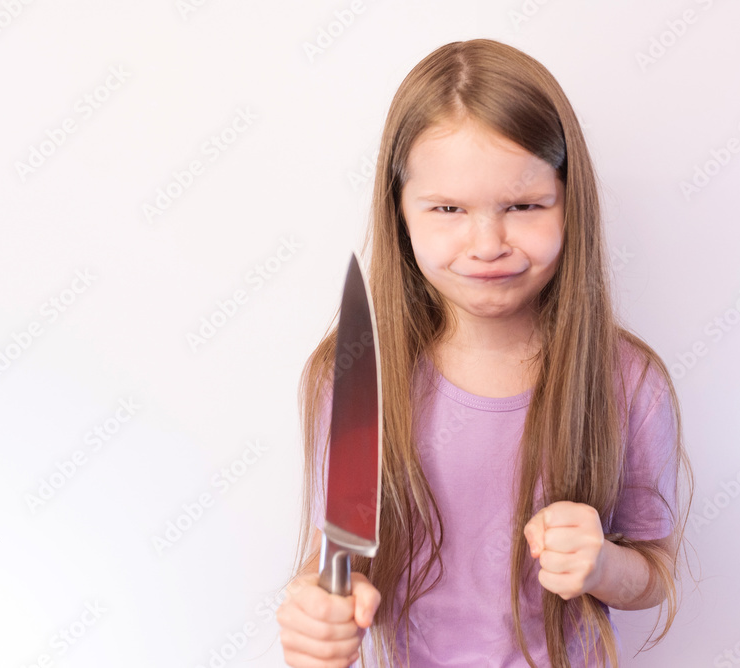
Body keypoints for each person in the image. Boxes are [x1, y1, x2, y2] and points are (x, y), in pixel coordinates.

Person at [275, 38, 694, 668]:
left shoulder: (628, 382)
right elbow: (336, 556)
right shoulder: (356, 375)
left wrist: (603, 566)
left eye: (523, 206)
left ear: (569, 203)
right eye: (448, 208)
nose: (488, 243)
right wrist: (317, 611)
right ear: (400, 214)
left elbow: (655, 573)